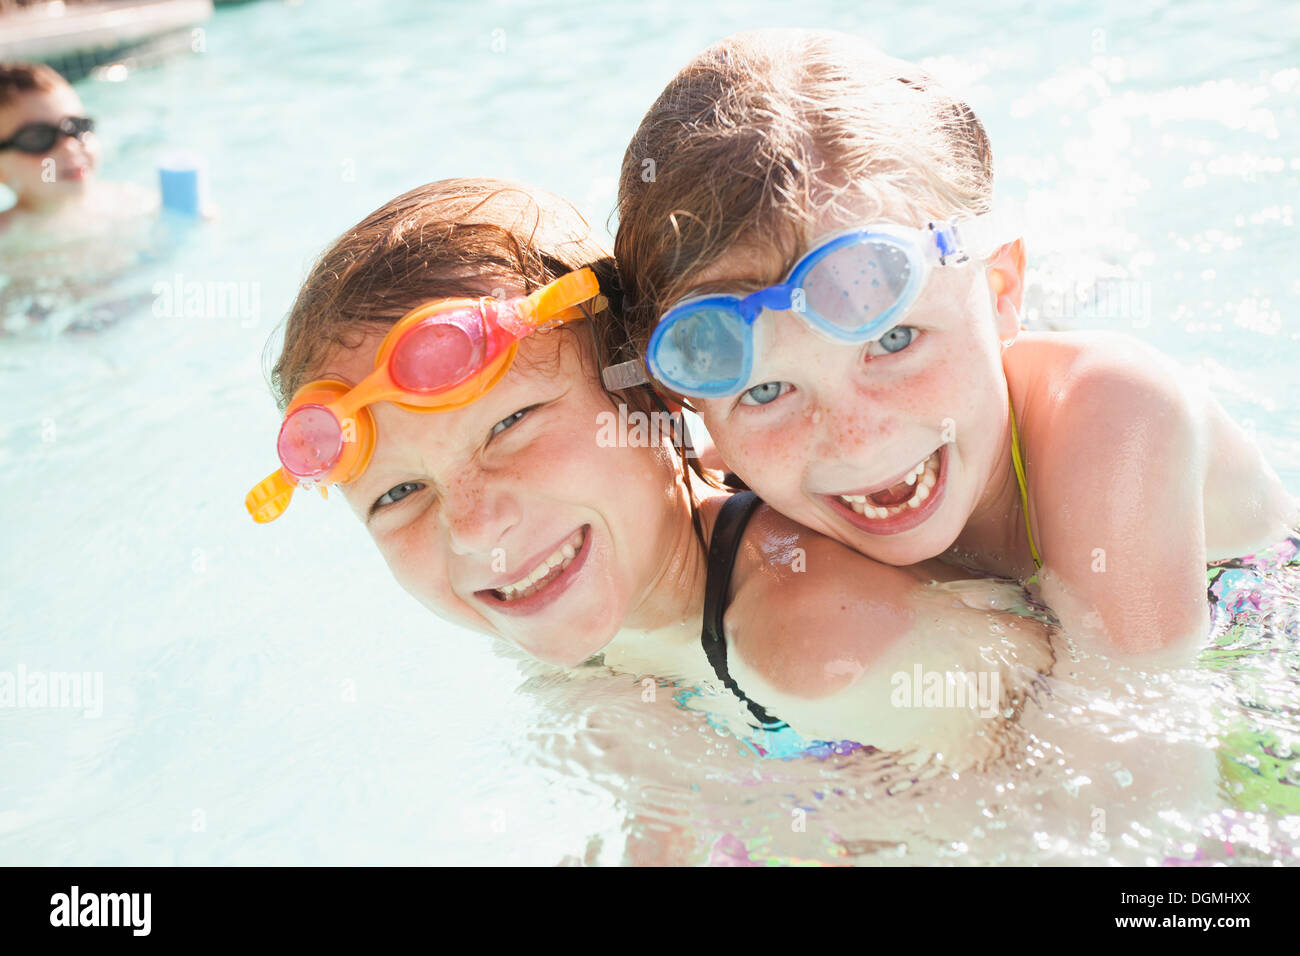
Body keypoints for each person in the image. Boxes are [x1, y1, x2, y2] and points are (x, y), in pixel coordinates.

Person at [248, 177, 1060, 770]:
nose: (473, 526)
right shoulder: (550, 592)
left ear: (657, 390)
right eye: (397, 494)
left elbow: (1075, 777)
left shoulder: (815, 644)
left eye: (510, 426)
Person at [610, 29, 1299, 658]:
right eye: (766, 390)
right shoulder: (735, 497)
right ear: (697, 412)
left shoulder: (1119, 415)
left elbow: (1139, 762)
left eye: (895, 339)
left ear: (1001, 292)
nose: (856, 442)